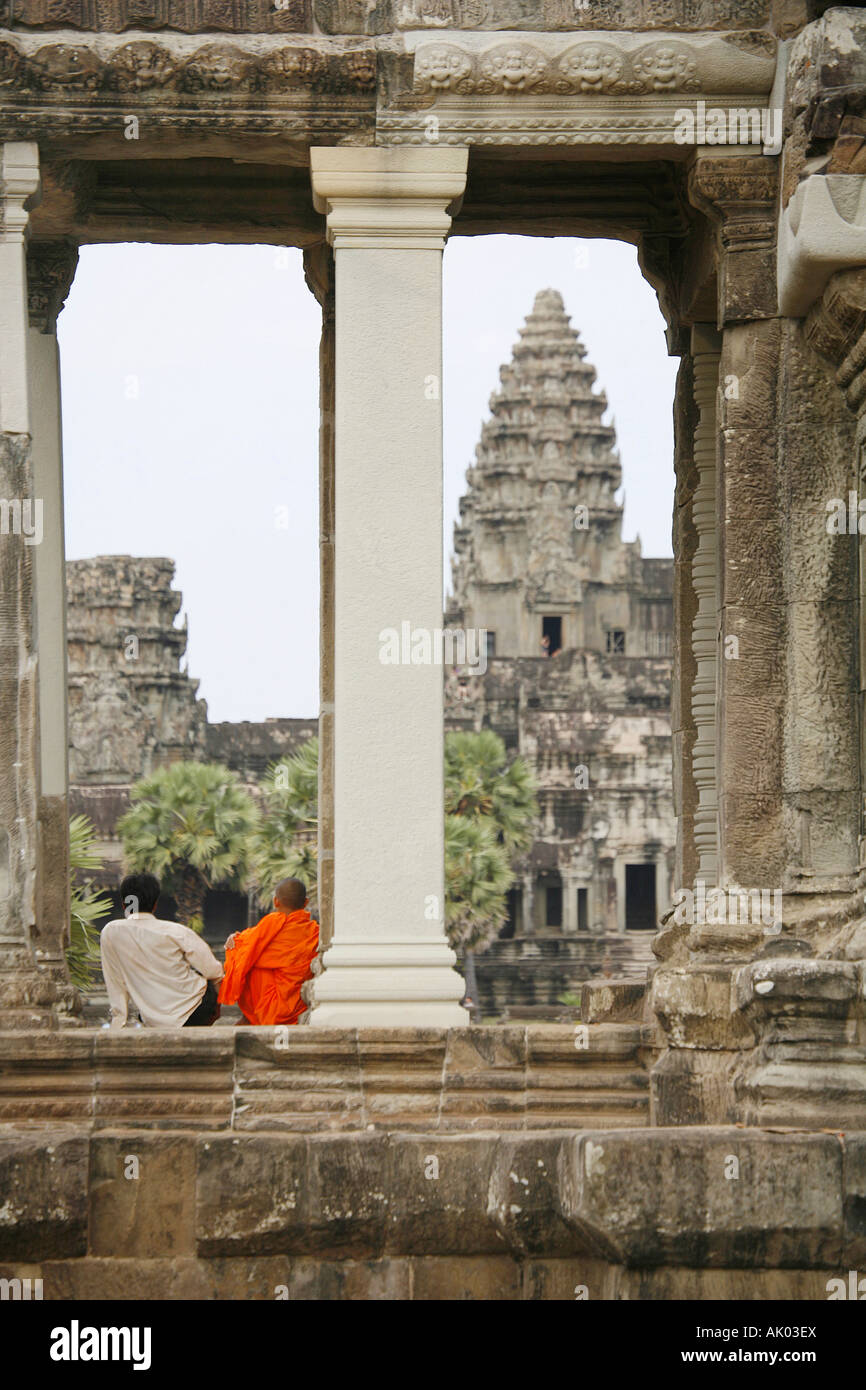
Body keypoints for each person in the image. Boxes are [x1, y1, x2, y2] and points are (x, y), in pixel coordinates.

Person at [100, 872, 224, 1029]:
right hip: (197, 1009)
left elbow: (115, 981)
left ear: (124, 904)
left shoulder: (111, 932)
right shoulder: (176, 931)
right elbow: (213, 970)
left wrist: (118, 1022)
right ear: (155, 904)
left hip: (153, 1017)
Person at [218, 877, 319, 1026]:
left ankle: (250, 1018)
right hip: (297, 1003)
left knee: (249, 961)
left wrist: (235, 940)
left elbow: (243, 945)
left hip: (266, 1004)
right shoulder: (315, 932)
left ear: (275, 901)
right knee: (254, 961)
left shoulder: (272, 923)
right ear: (306, 903)